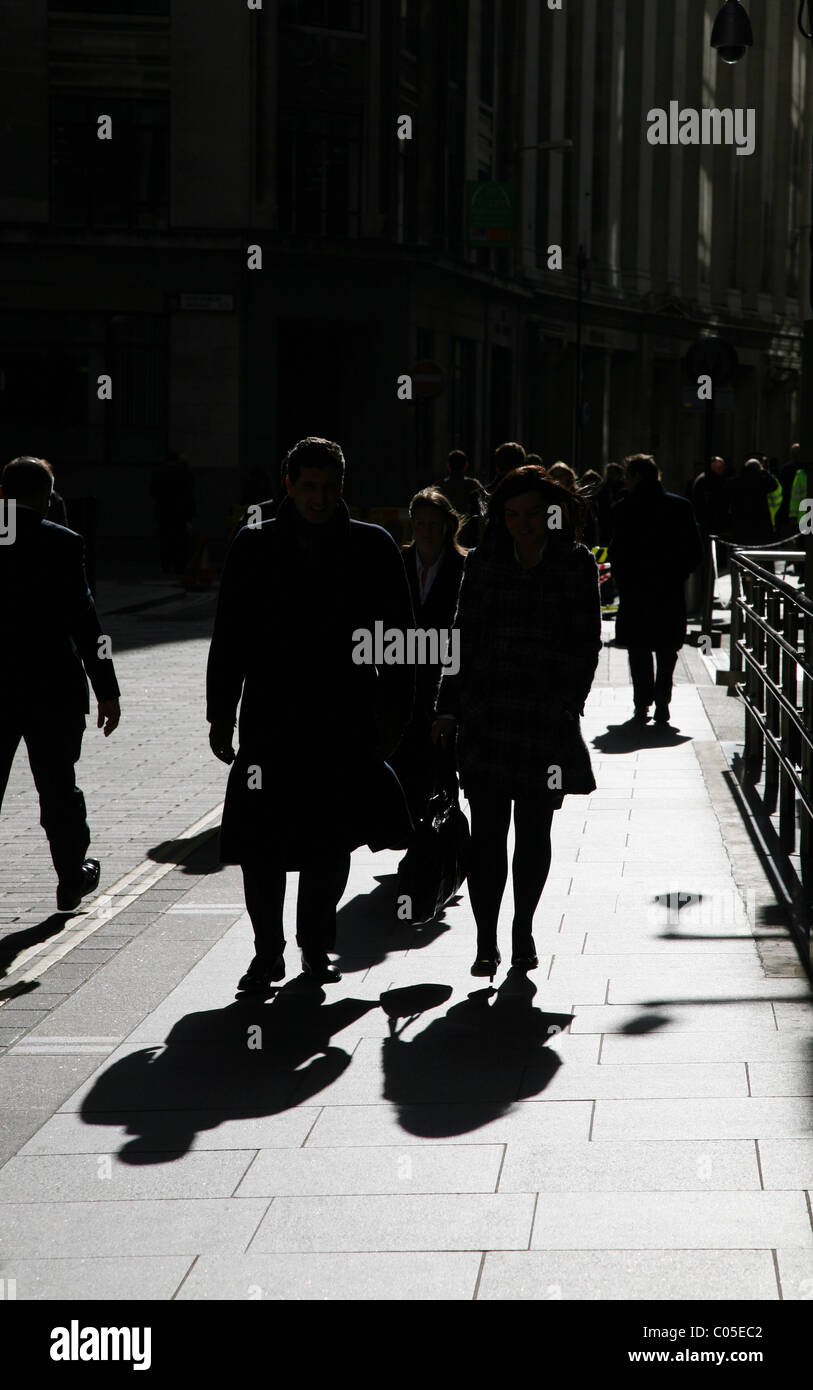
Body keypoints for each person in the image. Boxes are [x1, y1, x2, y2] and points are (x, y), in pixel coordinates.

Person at [206, 436, 415, 991]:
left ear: (342, 486)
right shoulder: (254, 545)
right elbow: (230, 636)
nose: (318, 498)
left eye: (328, 487)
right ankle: (266, 952)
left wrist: (395, 717)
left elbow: (399, 640)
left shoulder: (372, 546)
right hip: (271, 718)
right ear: (289, 485)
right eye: (308, 487)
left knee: (329, 841)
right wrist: (219, 714)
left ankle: (316, 946)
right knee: (260, 845)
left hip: (344, 718)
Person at [432, 465, 601, 979]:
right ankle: (485, 938)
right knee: (486, 833)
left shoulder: (575, 563)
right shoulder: (484, 561)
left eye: (531, 514)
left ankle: (522, 927)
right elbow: (461, 635)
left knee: (534, 831)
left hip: (544, 719)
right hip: (487, 714)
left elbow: (586, 641)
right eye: (511, 515)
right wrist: (447, 705)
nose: (521, 524)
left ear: (552, 514)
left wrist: (567, 703)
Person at [0, 456, 121, 911]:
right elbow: (87, 625)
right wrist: (106, 689)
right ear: (48, 498)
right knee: (57, 788)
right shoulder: (63, 542)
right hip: (52, 688)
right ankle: (71, 876)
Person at [609, 453, 703, 725]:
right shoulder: (680, 507)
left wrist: (623, 580)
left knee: (638, 649)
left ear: (637, 476)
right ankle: (662, 697)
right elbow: (695, 551)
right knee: (666, 647)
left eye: (627, 475)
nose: (625, 481)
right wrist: (679, 574)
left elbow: (617, 551)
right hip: (669, 590)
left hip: (636, 590)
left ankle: (642, 703)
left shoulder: (623, 509)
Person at [390, 488, 466, 822]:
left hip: (446, 677)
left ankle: (440, 837)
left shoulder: (464, 567)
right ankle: (412, 839)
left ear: (447, 526)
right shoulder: (398, 563)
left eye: (433, 524)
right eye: (419, 523)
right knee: (407, 763)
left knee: (442, 763)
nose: (426, 530)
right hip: (403, 675)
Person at [150, 452, 196, 575]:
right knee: (180, 539)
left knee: (166, 539)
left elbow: (153, 491)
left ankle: (166, 565)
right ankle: (180, 565)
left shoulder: (159, 472)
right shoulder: (183, 472)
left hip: (164, 511)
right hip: (180, 512)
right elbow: (189, 491)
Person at [433, 450, 486, 549]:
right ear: (466, 465)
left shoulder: (439, 487)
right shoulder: (473, 486)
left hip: (445, 535)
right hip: (470, 536)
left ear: (448, 466)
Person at [727, 457, 780, 547]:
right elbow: (774, 485)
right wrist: (764, 471)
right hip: (760, 523)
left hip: (741, 523)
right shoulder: (761, 481)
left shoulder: (735, 481)